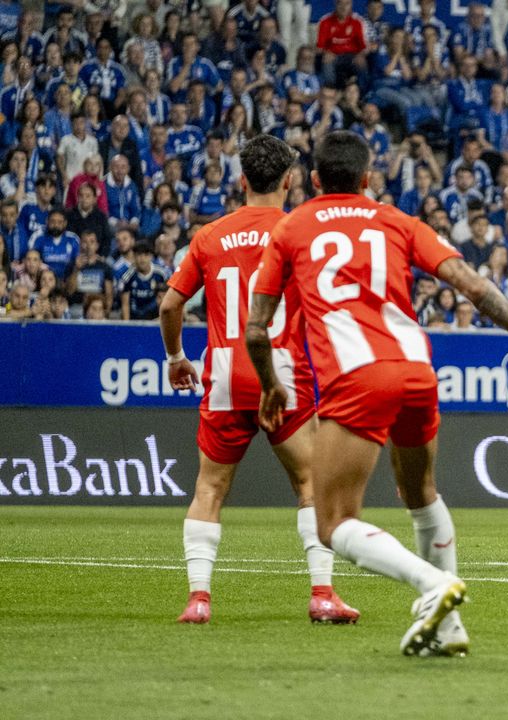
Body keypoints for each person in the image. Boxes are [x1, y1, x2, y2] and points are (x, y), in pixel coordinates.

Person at [245, 131, 508, 657]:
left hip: (359, 377)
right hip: (417, 371)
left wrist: (270, 384)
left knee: (333, 522)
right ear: (367, 179)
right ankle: (447, 630)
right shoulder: (396, 221)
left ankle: (433, 584)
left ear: (313, 181)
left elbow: (255, 328)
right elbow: (473, 285)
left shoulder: (292, 228)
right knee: (421, 493)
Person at [160, 136, 359, 626]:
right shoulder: (302, 233)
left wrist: (176, 357)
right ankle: (322, 595)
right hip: (283, 373)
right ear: (289, 180)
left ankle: (199, 600)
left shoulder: (209, 236)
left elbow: (170, 305)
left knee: (209, 487)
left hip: (226, 373)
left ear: (241, 180)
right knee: (313, 483)